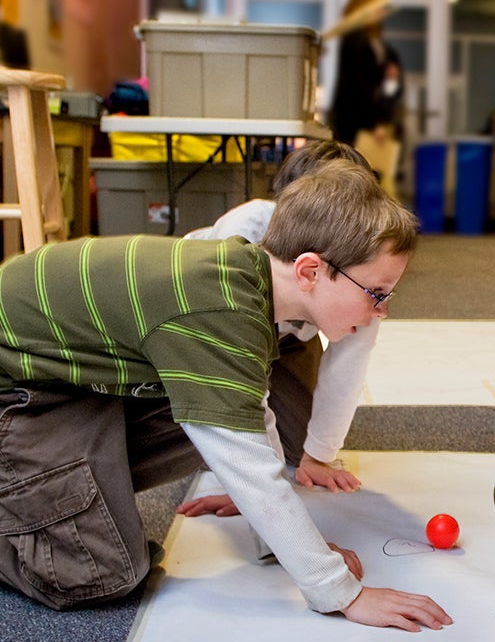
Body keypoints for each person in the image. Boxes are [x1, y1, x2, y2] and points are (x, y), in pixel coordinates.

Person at [0, 160, 452, 631]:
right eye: (376, 293)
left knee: (219, 416)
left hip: (69, 389)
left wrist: (282, 545)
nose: (381, 312)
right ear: (311, 271)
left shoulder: (247, 286)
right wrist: (339, 591)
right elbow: (251, 468)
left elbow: (256, 428)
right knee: (100, 574)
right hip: (20, 396)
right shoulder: (222, 311)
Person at [178, 140, 377, 515]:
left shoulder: (361, 256)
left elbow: (351, 358)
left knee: (301, 444)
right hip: (210, 328)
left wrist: (318, 456)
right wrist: (252, 489)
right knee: (222, 428)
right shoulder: (244, 232)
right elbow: (240, 381)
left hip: (289, 334)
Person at [325, 0, 404, 193]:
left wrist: (392, 82)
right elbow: (355, 88)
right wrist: (373, 123)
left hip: (377, 126)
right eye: (376, 7)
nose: (381, 13)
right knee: (360, 181)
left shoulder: (382, 48)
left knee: (376, 182)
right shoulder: (355, 41)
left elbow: (391, 91)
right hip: (359, 127)